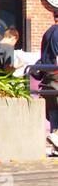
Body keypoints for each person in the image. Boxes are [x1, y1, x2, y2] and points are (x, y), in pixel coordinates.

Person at [40, 11, 58, 155]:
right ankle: (56, 137)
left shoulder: (47, 33)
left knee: (53, 111)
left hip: (47, 77)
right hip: (56, 76)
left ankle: (56, 144)